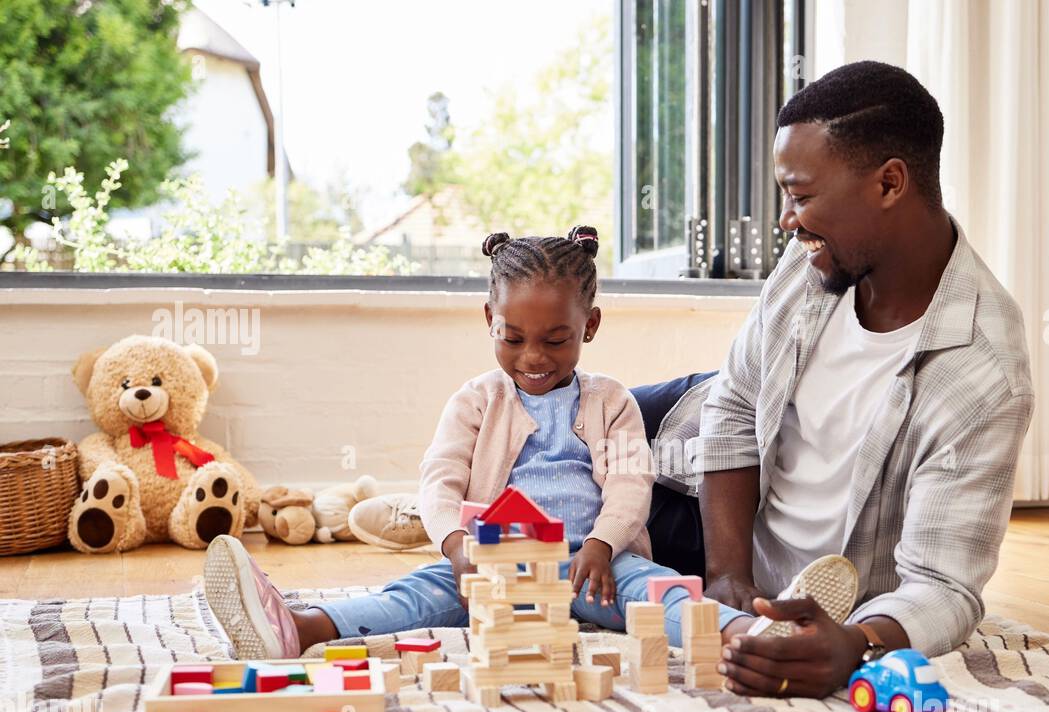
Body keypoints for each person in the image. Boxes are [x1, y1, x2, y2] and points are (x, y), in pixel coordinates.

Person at [651, 60, 1034, 699]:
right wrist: (726, 576)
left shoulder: (981, 368)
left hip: (793, 564)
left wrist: (857, 643)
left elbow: (945, 588)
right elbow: (736, 406)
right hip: (703, 470)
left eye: (799, 197)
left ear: (889, 184)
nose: (785, 222)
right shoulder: (813, 265)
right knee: (549, 429)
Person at [202, 227, 756, 659]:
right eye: (512, 339)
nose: (533, 358)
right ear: (489, 320)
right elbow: (440, 483)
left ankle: (750, 633)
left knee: (661, 593)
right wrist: (457, 548)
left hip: (593, 566)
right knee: (417, 595)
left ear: (589, 325)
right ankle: (300, 627)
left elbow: (631, 485)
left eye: (556, 340)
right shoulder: (475, 400)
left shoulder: (612, 401)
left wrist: (604, 546)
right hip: (492, 566)